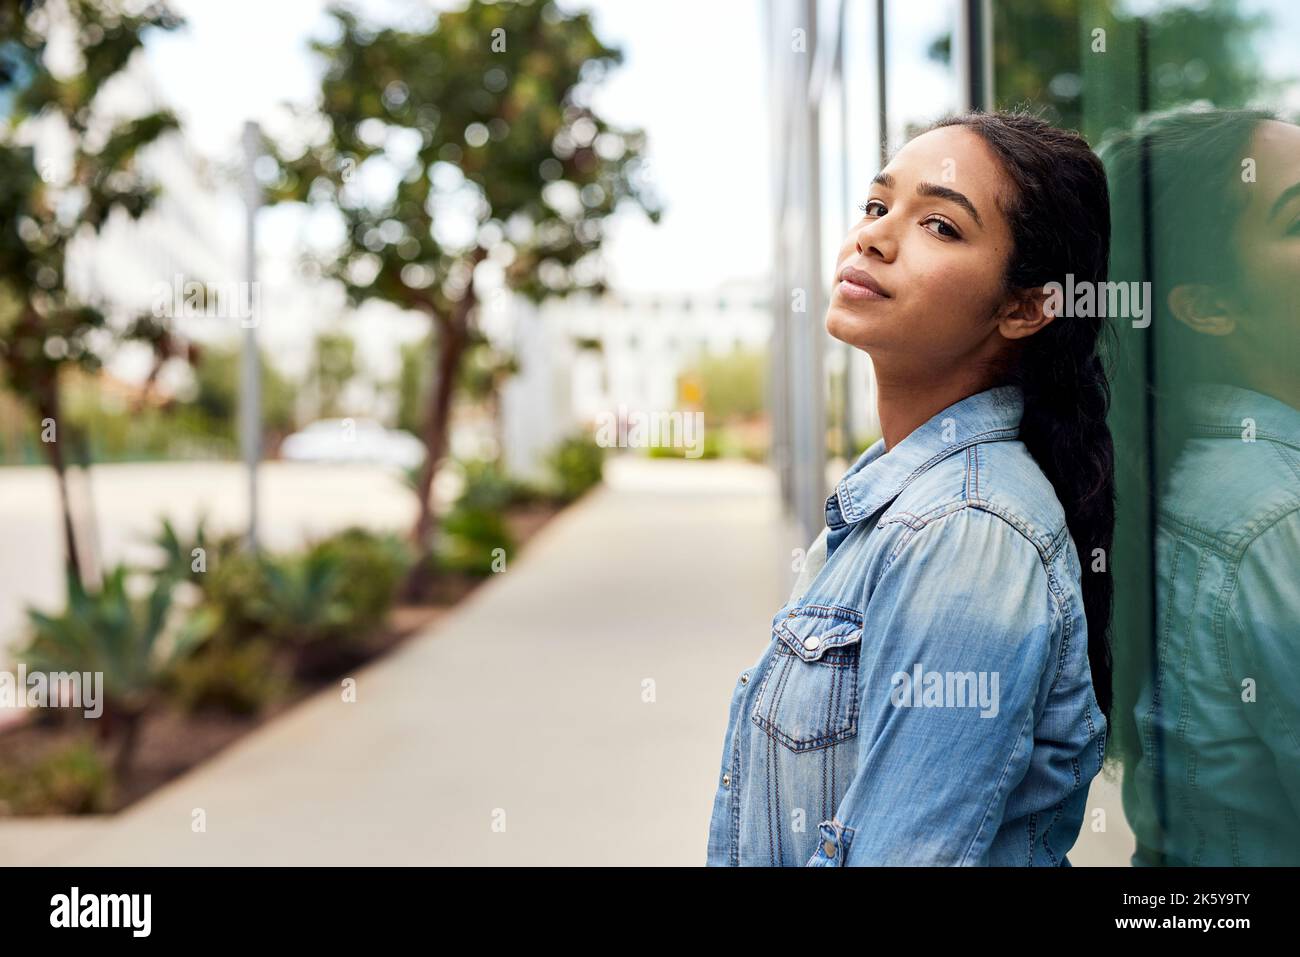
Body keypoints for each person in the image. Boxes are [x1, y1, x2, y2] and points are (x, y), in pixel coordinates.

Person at [706, 108, 1115, 866]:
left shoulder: (965, 532)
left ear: (1024, 307)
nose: (873, 236)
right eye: (876, 205)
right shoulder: (897, 494)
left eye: (941, 226)